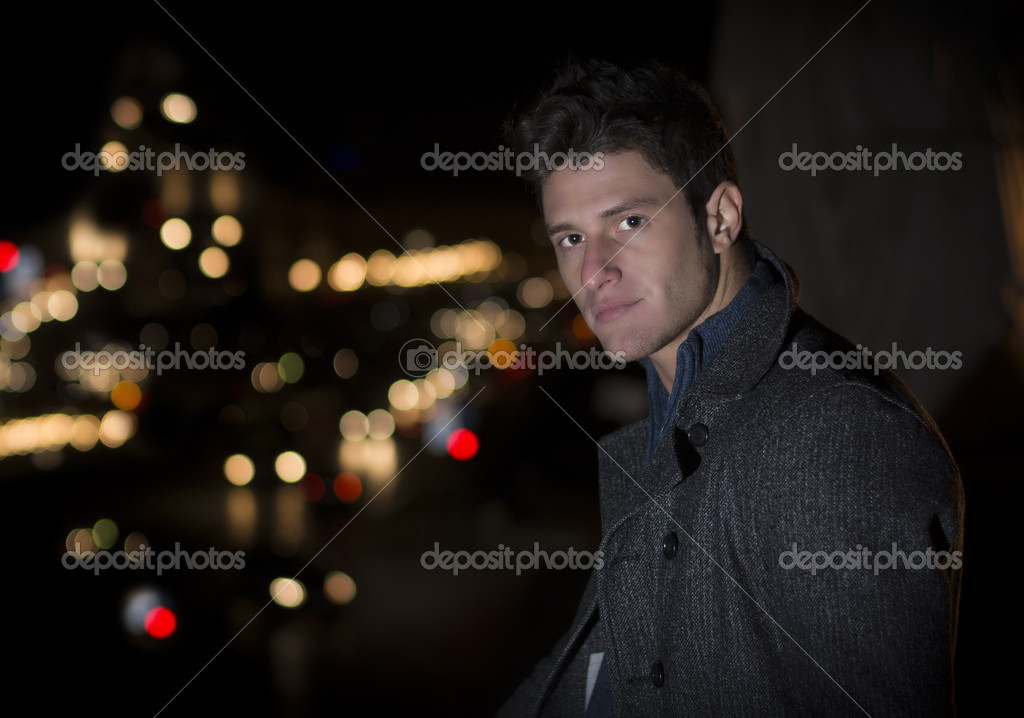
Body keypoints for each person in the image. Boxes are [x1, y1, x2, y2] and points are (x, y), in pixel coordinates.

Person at [497, 59, 964, 717]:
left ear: (719, 218)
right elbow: (596, 674)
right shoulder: (674, 421)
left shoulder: (834, 430)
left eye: (628, 222)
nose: (593, 270)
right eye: (571, 237)